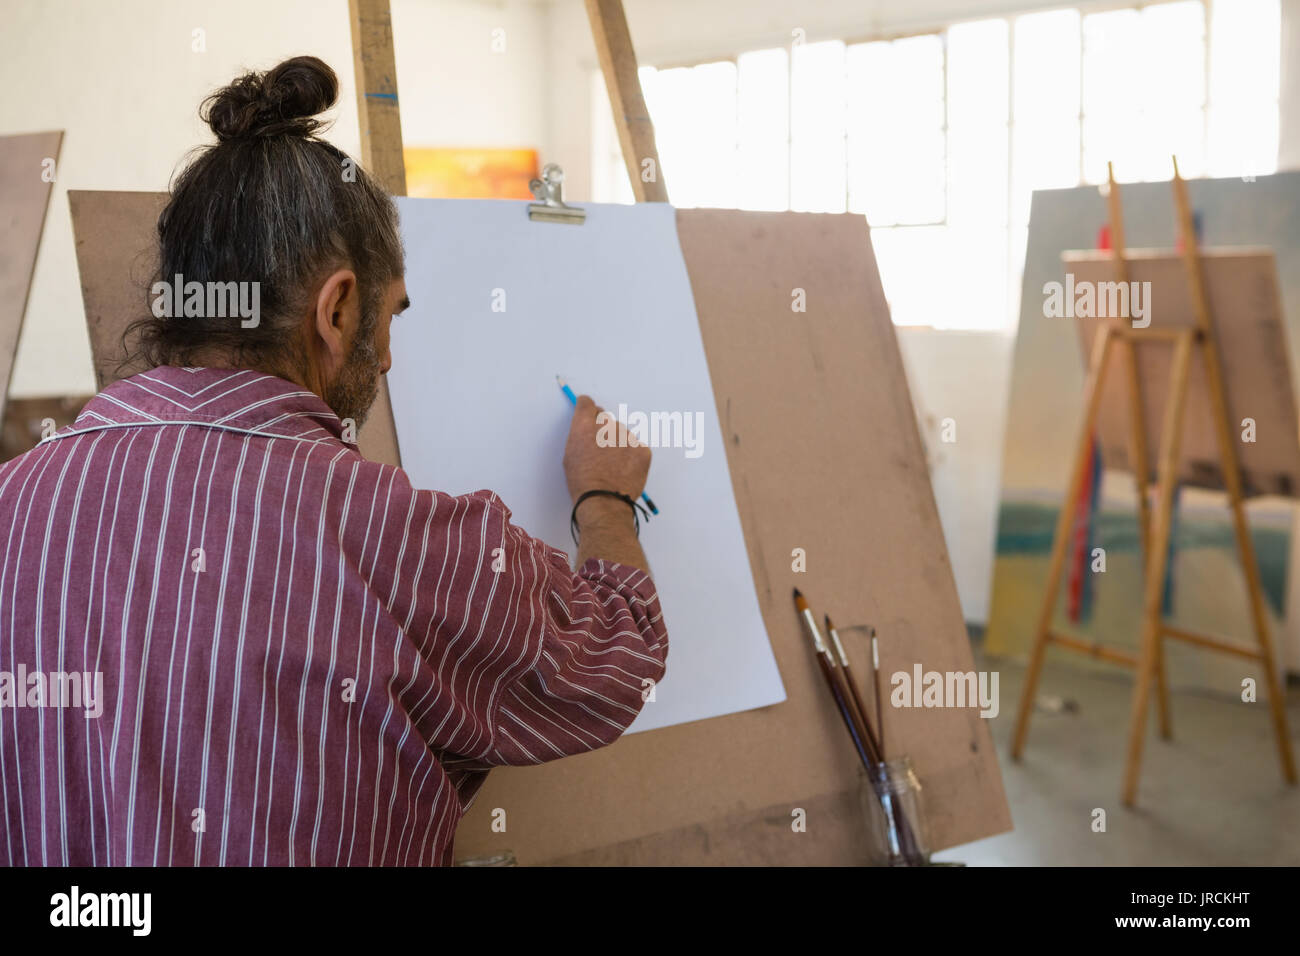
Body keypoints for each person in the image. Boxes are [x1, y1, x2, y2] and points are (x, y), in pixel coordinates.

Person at [0, 56, 666, 867]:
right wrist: (605, 499)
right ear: (338, 306)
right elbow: (618, 662)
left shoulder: (16, 498)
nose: (386, 362)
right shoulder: (390, 533)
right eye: (389, 319)